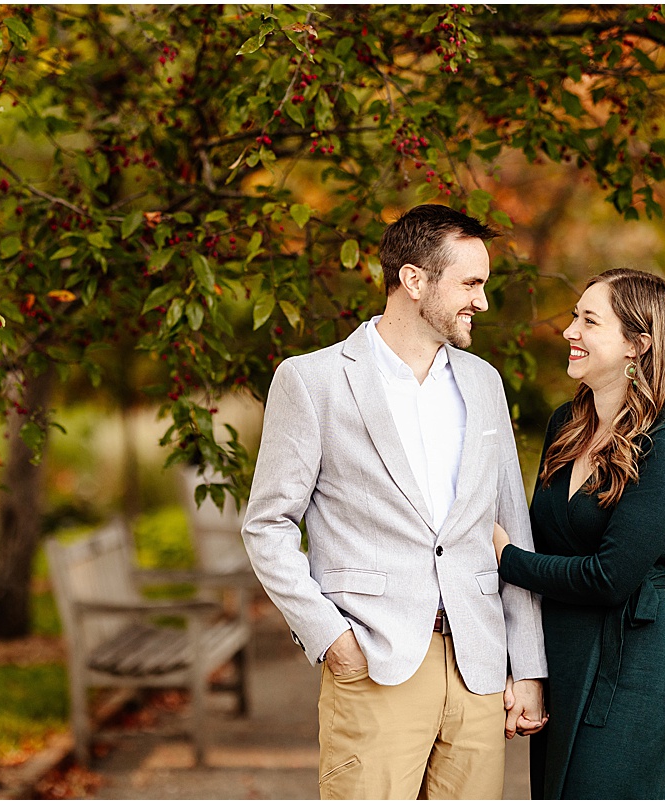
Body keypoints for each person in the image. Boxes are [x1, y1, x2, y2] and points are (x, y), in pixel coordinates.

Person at [241, 204, 548, 800]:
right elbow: (268, 525)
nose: (481, 301)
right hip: (374, 661)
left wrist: (528, 667)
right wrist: (330, 637)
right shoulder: (313, 381)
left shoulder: (484, 383)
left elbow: (512, 526)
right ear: (413, 281)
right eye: (470, 283)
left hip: (478, 671)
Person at [492, 268, 665, 800]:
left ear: (637, 345)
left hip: (629, 669)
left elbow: (609, 577)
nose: (570, 331)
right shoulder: (564, 426)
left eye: (588, 320)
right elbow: (547, 541)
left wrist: (507, 557)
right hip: (560, 653)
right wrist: (523, 666)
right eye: (574, 316)